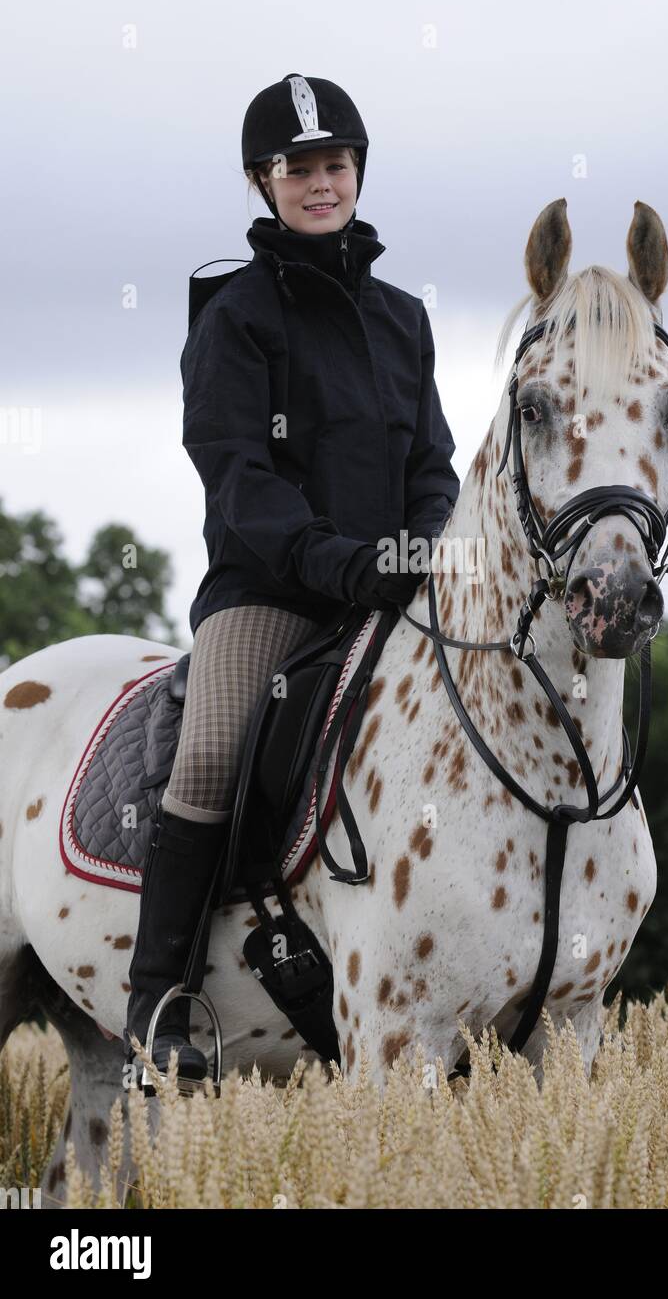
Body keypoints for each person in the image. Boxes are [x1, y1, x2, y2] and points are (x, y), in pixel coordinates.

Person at [123, 73, 460, 1087]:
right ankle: (160, 1004)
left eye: (335, 164)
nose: (321, 183)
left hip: (390, 589)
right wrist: (337, 560)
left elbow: (432, 468)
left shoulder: (403, 318)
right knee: (215, 748)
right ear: (262, 181)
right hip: (268, 593)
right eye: (298, 168)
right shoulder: (232, 315)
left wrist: (418, 550)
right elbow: (240, 479)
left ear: (357, 172)